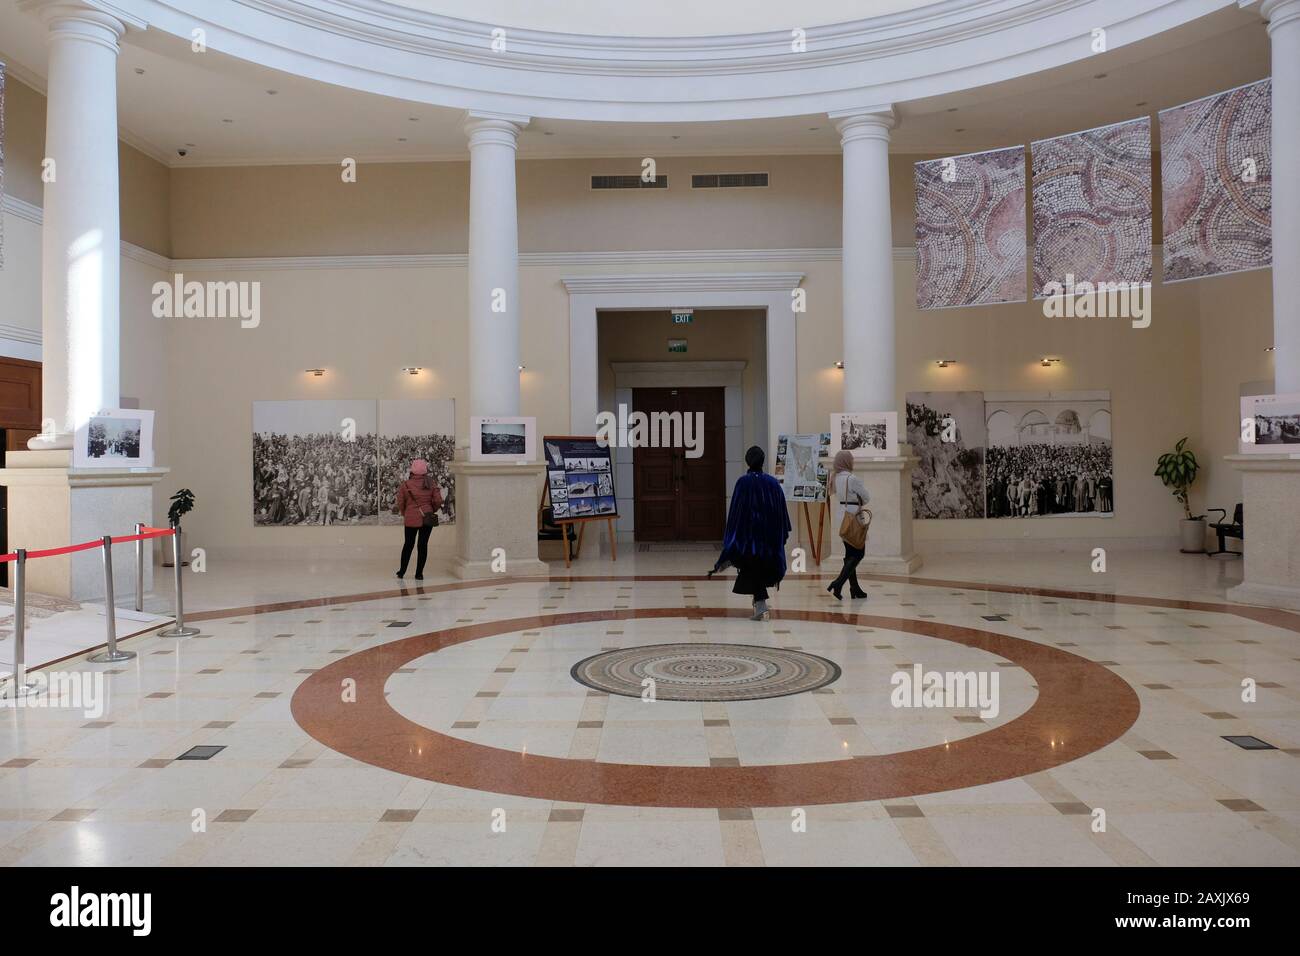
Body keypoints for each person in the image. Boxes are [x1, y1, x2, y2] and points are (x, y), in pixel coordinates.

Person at [709, 446, 791, 620]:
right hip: (769, 539)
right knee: (758, 570)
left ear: (748, 461)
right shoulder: (773, 483)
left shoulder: (743, 483)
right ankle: (760, 605)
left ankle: (760, 606)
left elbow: (736, 513)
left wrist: (732, 538)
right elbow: (781, 512)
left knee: (751, 568)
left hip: (749, 540)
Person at [827, 450, 870, 600]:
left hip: (842, 517)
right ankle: (838, 583)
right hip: (853, 516)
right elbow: (866, 497)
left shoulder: (836, 477)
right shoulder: (852, 478)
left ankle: (855, 588)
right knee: (859, 552)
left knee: (850, 554)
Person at [394, 458, 442, 580]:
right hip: (427, 518)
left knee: (408, 545)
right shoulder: (431, 483)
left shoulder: (406, 485)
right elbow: (438, 500)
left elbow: (400, 502)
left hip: (410, 518)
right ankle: (419, 574)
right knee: (423, 545)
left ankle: (402, 572)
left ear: (412, 470)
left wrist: (406, 513)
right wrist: (432, 510)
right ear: (425, 470)